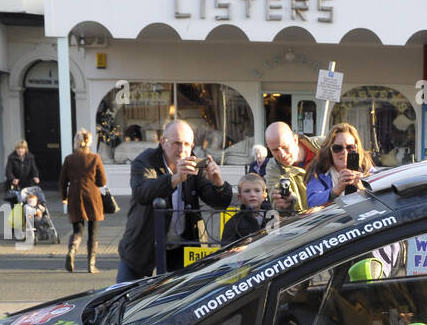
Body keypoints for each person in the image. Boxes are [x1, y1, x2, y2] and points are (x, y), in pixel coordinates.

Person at [116, 119, 232, 282]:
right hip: (142, 246)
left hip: (180, 249)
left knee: (178, 303)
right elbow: (142, 192)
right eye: (177, 143)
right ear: (163, 142)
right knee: (125, 300)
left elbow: (220, 203)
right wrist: (175, 178)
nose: (182, 150)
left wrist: (218, 182)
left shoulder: (194, 165)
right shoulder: (145, 161)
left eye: (187, 144)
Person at [59, 129, 108, 273]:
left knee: (78, 230)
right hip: (93, 197)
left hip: (75, 196)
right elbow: (102, 181)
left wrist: (64, 197)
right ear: (89, 142)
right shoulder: (95, 158)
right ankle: (91, 264)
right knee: (93, 232)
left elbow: (62, 181)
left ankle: (72, 250)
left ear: (76, 142)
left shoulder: (69, 159)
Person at [305, 122, 371, 207]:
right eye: (337, 148)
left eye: (350, 147)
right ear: (329, 150)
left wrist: (362, 188)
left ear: (357, 148)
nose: (344, 152)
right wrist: (337, 190)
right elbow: (312, 202)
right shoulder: (319, 172)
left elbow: (383, 200)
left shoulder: (367, 169)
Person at [264, 121, 321, 215]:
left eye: (285, 147)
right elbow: (278, 206)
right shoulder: (273, 168)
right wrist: (285, 204)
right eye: (275, 150)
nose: (282, 154)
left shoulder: (324, 146)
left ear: (295, 140)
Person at [220, 172, 276, 246]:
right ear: (240, 197)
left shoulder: (273, 217)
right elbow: (226, 249)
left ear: (264, 195)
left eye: (257, 190)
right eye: (247, 191)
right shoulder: (234, 222)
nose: (252, 194)